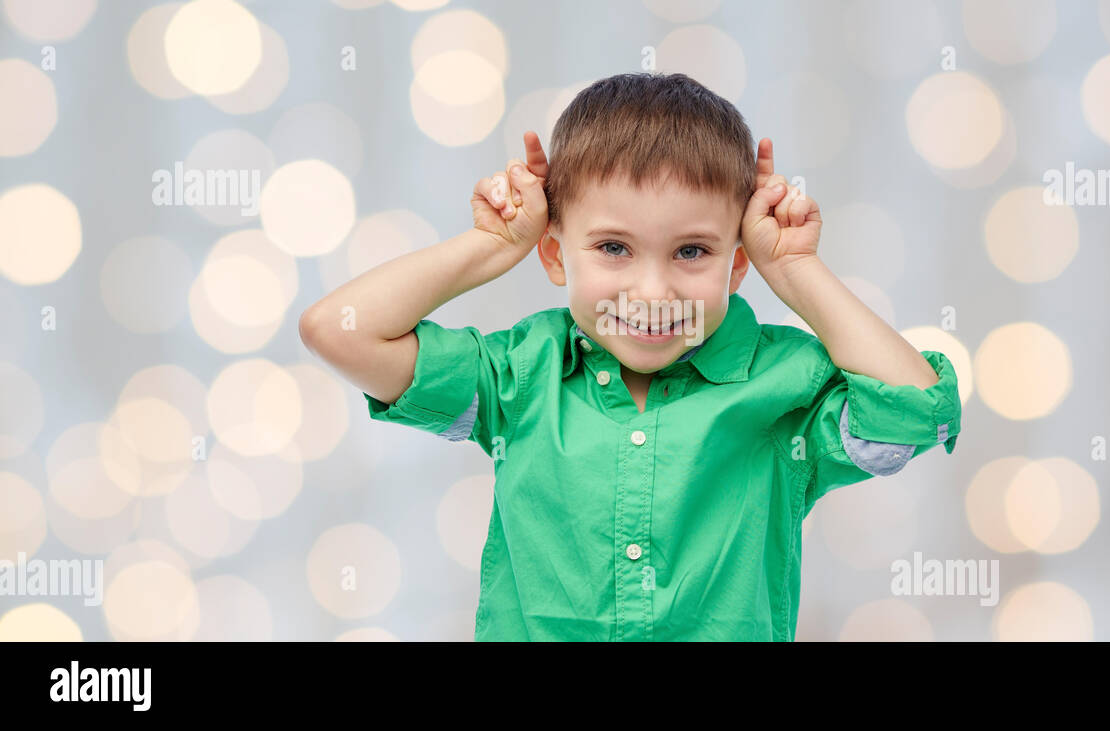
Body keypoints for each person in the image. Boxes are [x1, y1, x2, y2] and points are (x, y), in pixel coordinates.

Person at [299, 72, 961, 641]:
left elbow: (915, 411)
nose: (652, 290)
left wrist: (795, 268)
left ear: (738, 265)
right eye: (614, 247)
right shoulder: (520, 373)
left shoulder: (784, 386)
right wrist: (490, 246)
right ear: (556, 253)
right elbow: (338, 329)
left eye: (692, 251)